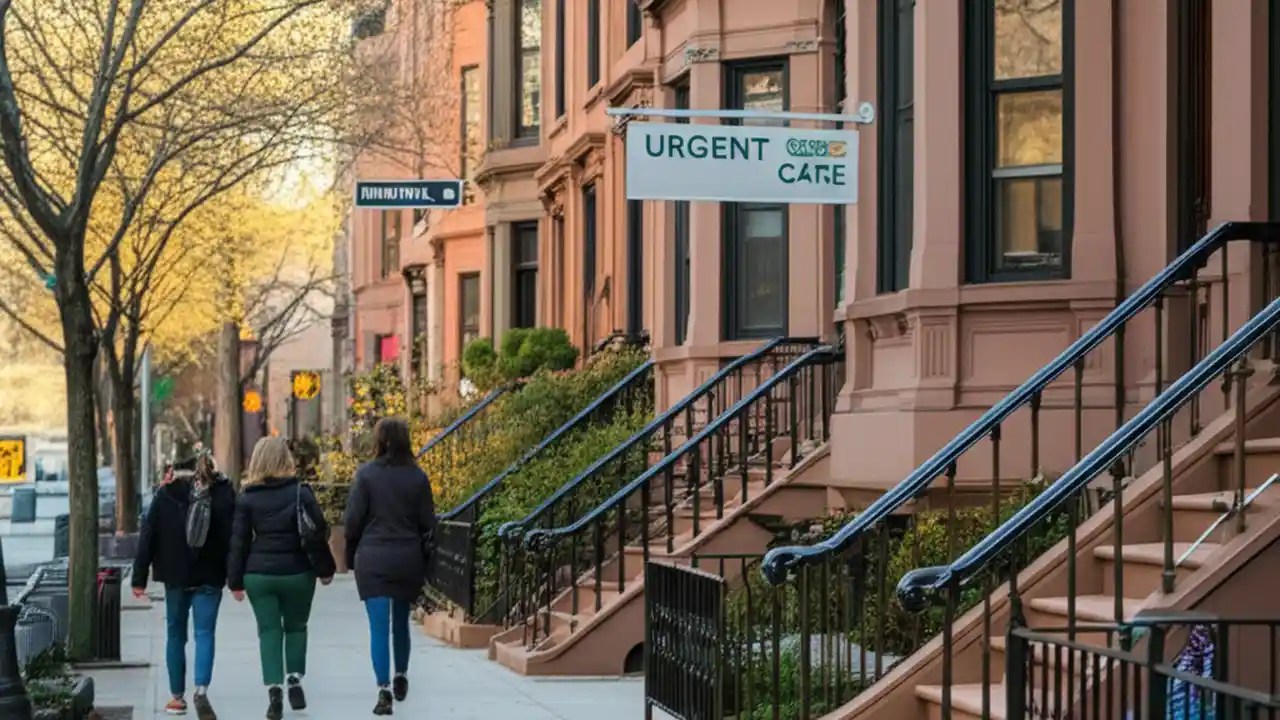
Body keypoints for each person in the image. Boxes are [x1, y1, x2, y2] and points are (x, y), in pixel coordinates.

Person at [228, 437, 336, 720]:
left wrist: (235, 581)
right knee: (296, 627)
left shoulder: (247, 497)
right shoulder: (301, 493)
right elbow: (320, 530)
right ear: (286, 459)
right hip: (298, 572)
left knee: (268, 630)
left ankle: (274, 690)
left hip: (259, 574)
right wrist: (325, 569)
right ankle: (294, 679)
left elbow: (238, 542)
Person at [132, 452, 236, 719]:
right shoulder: (223, 493)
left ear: (173, 470)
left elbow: (148, 536)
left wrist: (139, 579)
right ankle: (201, 690)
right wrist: (236, 576)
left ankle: (177, 699)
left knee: (176, 634)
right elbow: (235, 537)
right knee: (205, 633)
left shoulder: (165, 496)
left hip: (175, 577)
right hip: (210, 575)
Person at [344, 417, 437, 716]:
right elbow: (427, 523)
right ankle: (401, 674)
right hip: (407, 556)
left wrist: (350, 552)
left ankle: (383, 688)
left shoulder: (366, 475)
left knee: (378, 626)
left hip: (373, 557)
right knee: (401, 622)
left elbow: (353, 521)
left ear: (380, 441)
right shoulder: (417, 477)